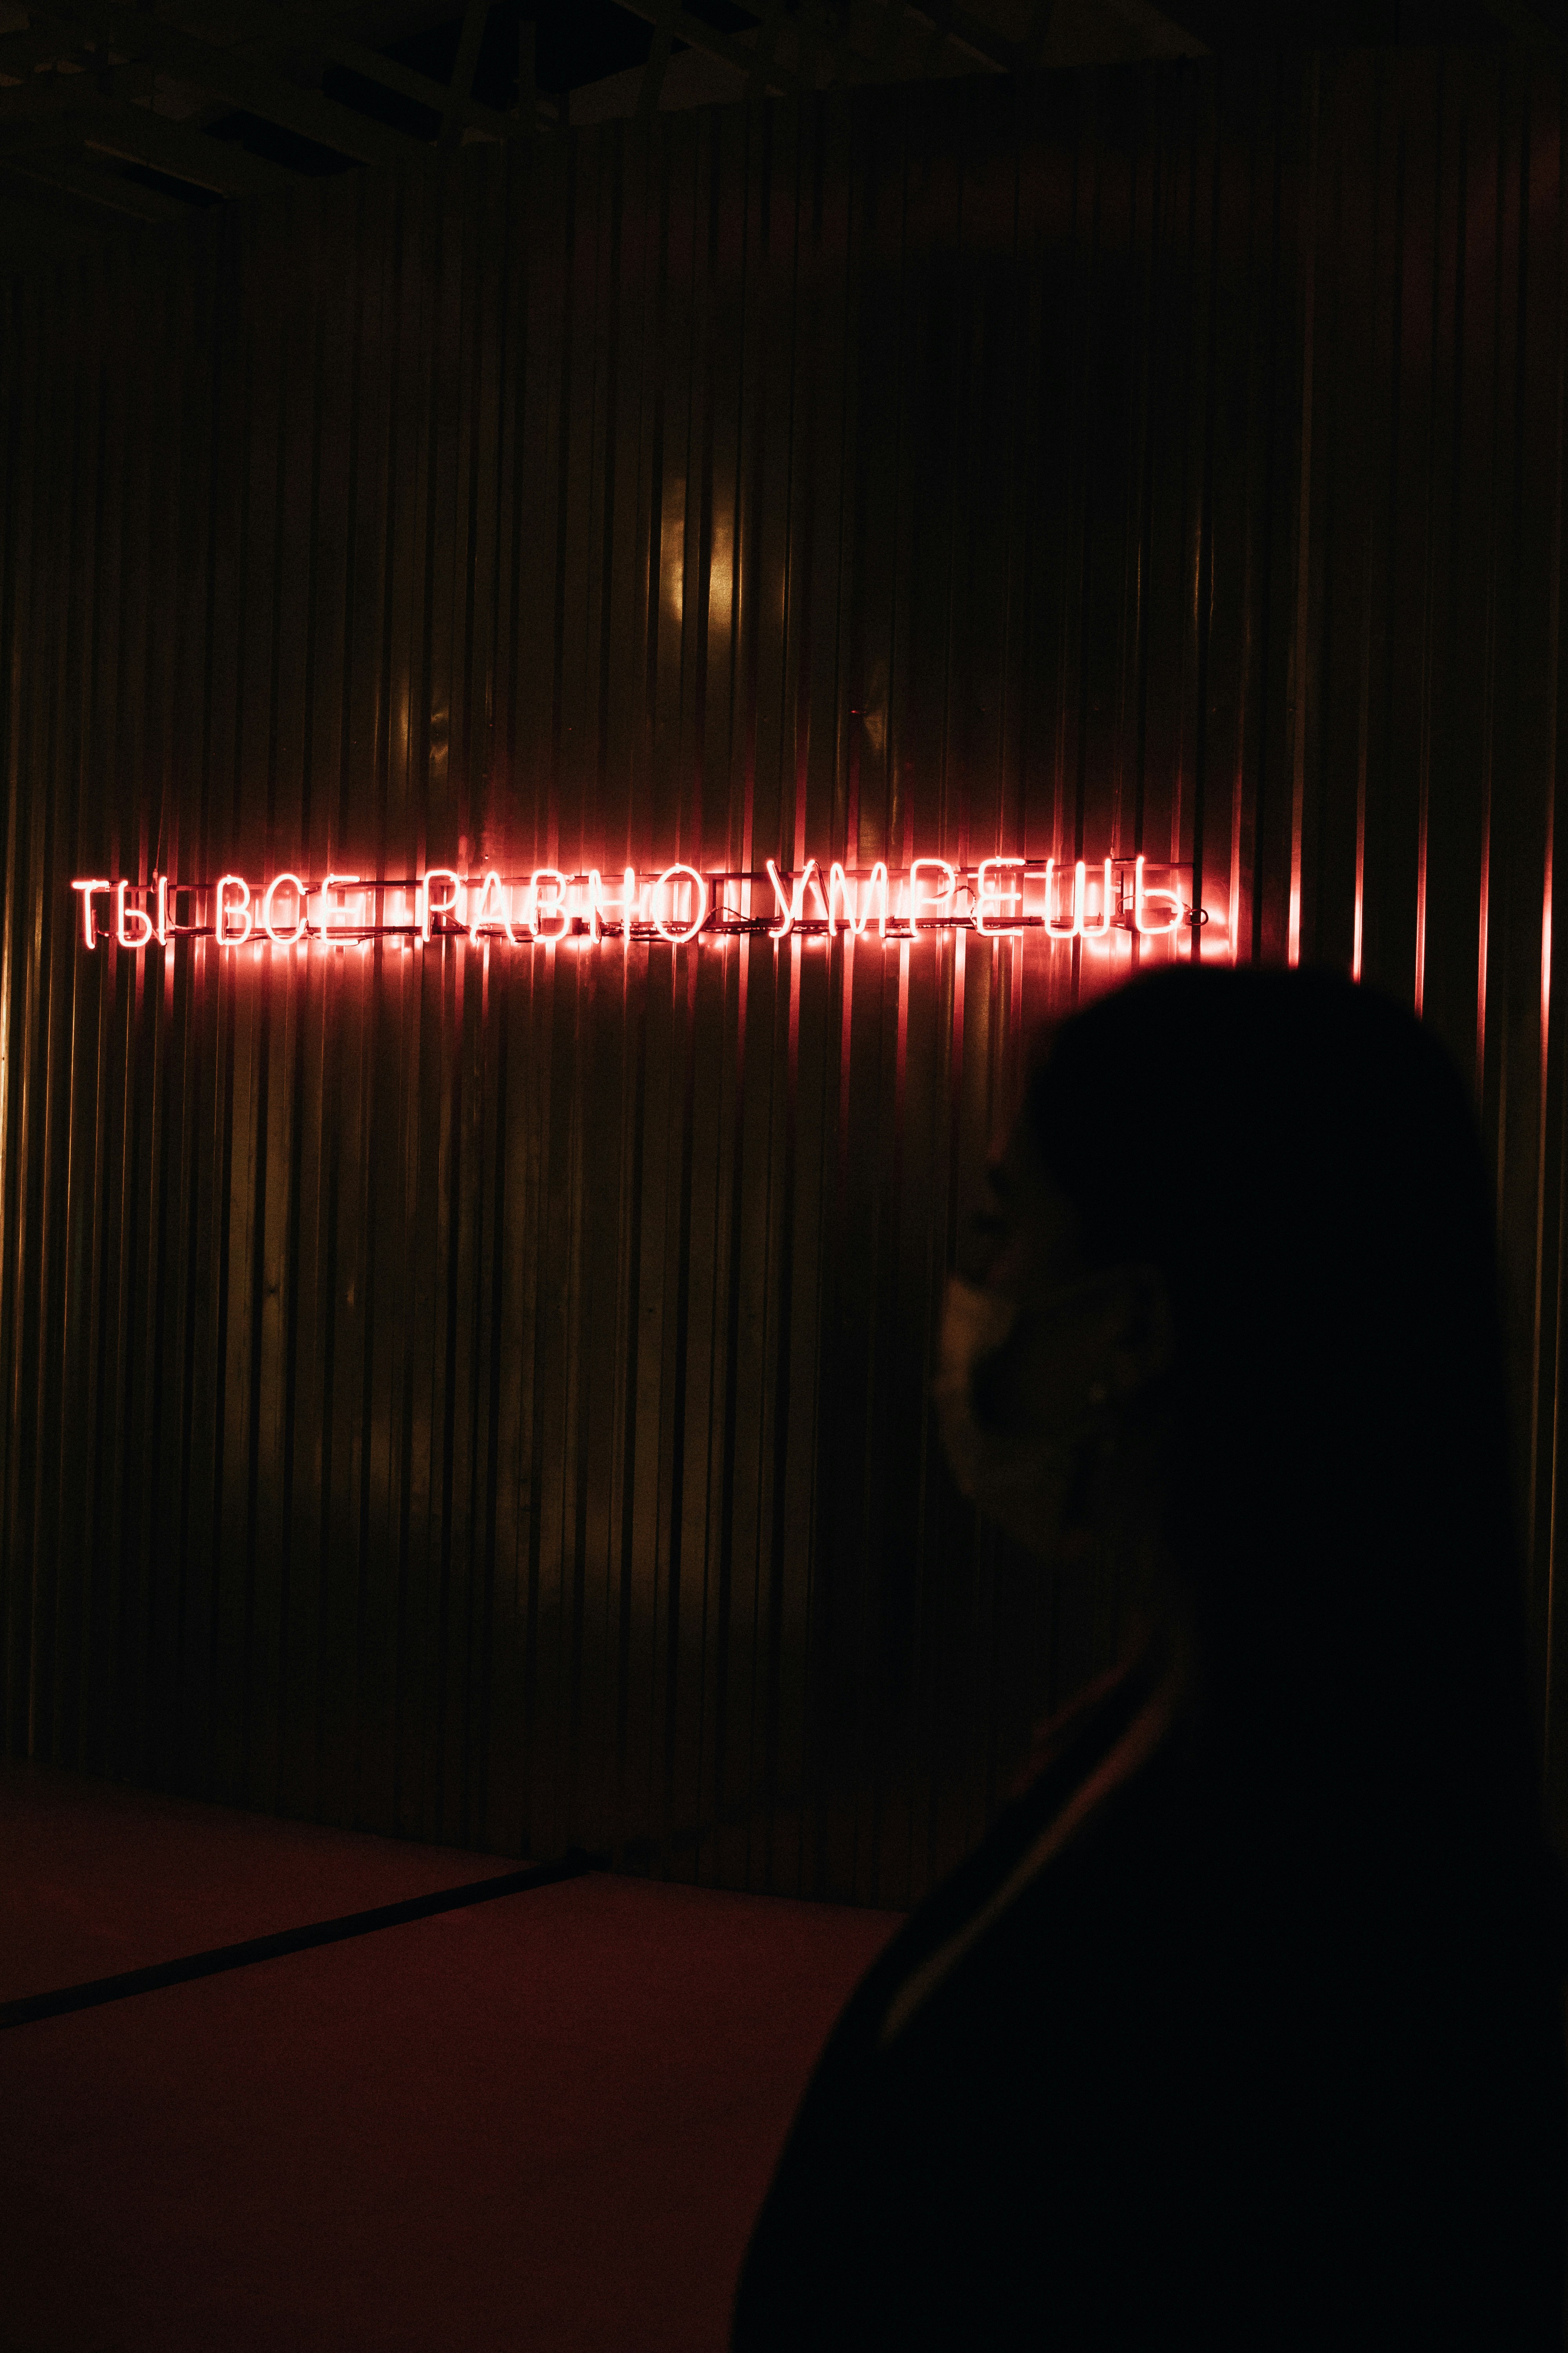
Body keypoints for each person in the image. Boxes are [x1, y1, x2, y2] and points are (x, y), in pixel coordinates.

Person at [731, 965, 1568, 2350]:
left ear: (1132, 1324)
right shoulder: (1184, 1739)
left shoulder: (1294, 1911)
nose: (970, 1291)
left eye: (1003, 1228)